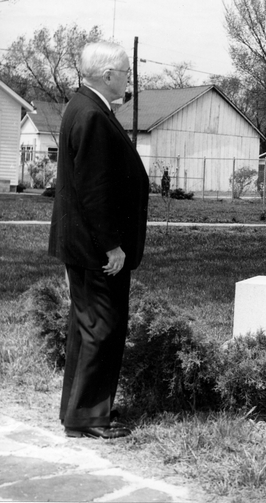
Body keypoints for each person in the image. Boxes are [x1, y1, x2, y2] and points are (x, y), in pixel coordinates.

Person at [49, 41, 149, 440]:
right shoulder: (91, 114)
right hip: (96, 249)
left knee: (88, 326)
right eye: (126, 74)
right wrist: (112, 246)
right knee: (101, 328)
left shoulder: (86, 107)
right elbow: (95, 190)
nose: (129, 81)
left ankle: (80, 411)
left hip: (84, 244)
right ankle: (88, 417)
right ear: (107, 76)